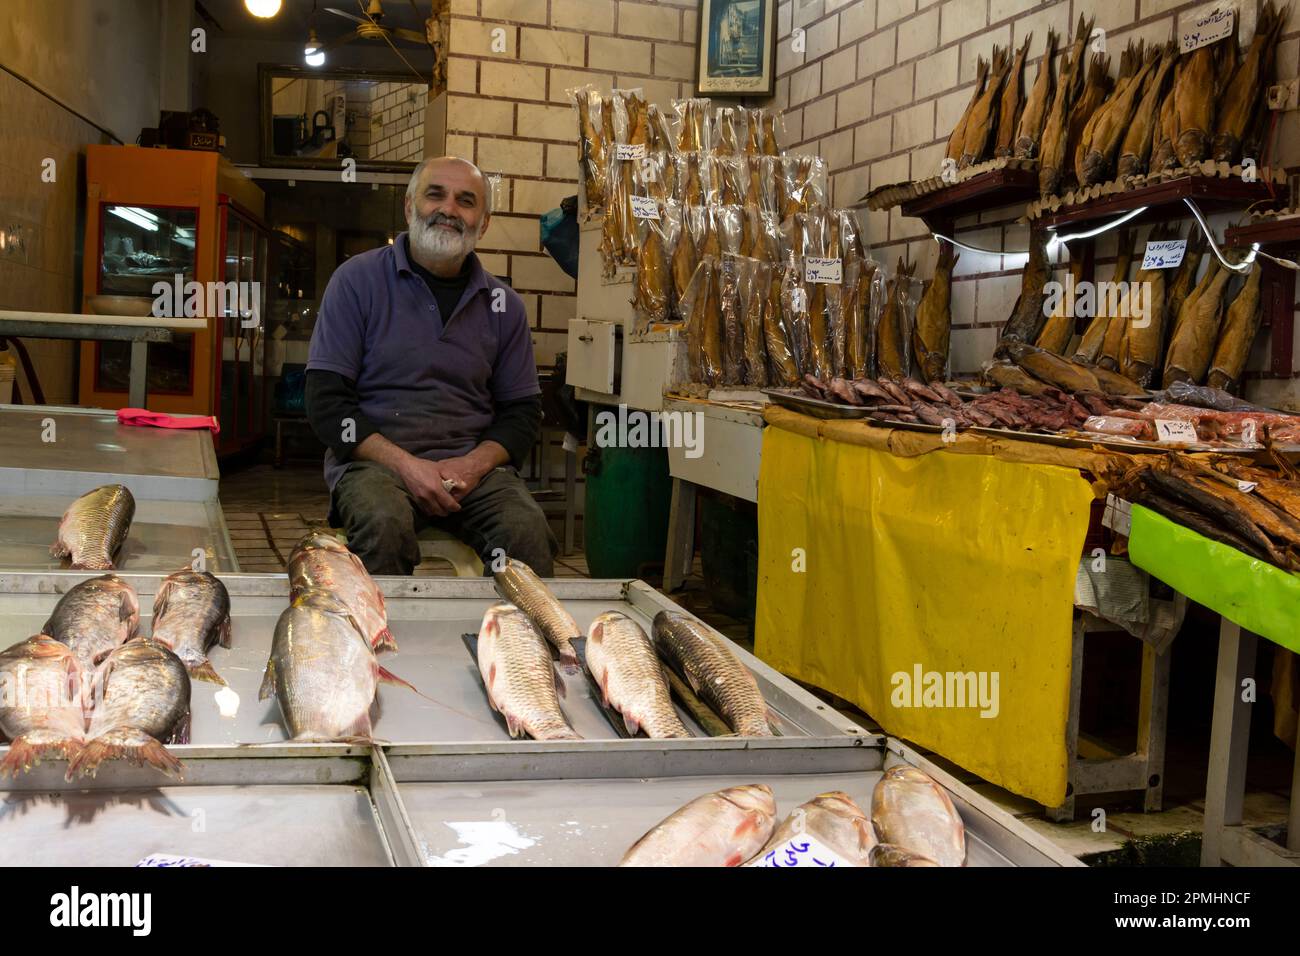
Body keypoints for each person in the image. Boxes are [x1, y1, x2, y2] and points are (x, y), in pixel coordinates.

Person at [304, 155, 557, 576]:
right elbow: (327, 403)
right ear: (408, 207)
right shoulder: (356, 281)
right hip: (376, 466)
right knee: (383, 525)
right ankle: (383, 641)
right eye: (435, 195)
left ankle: (508, 642)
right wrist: (409, 466)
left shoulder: (503, 306)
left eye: (466, 200)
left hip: (473, 473)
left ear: (484, 222)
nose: (449, 209)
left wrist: (472, 466)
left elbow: (522, 415)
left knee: (526, 531)